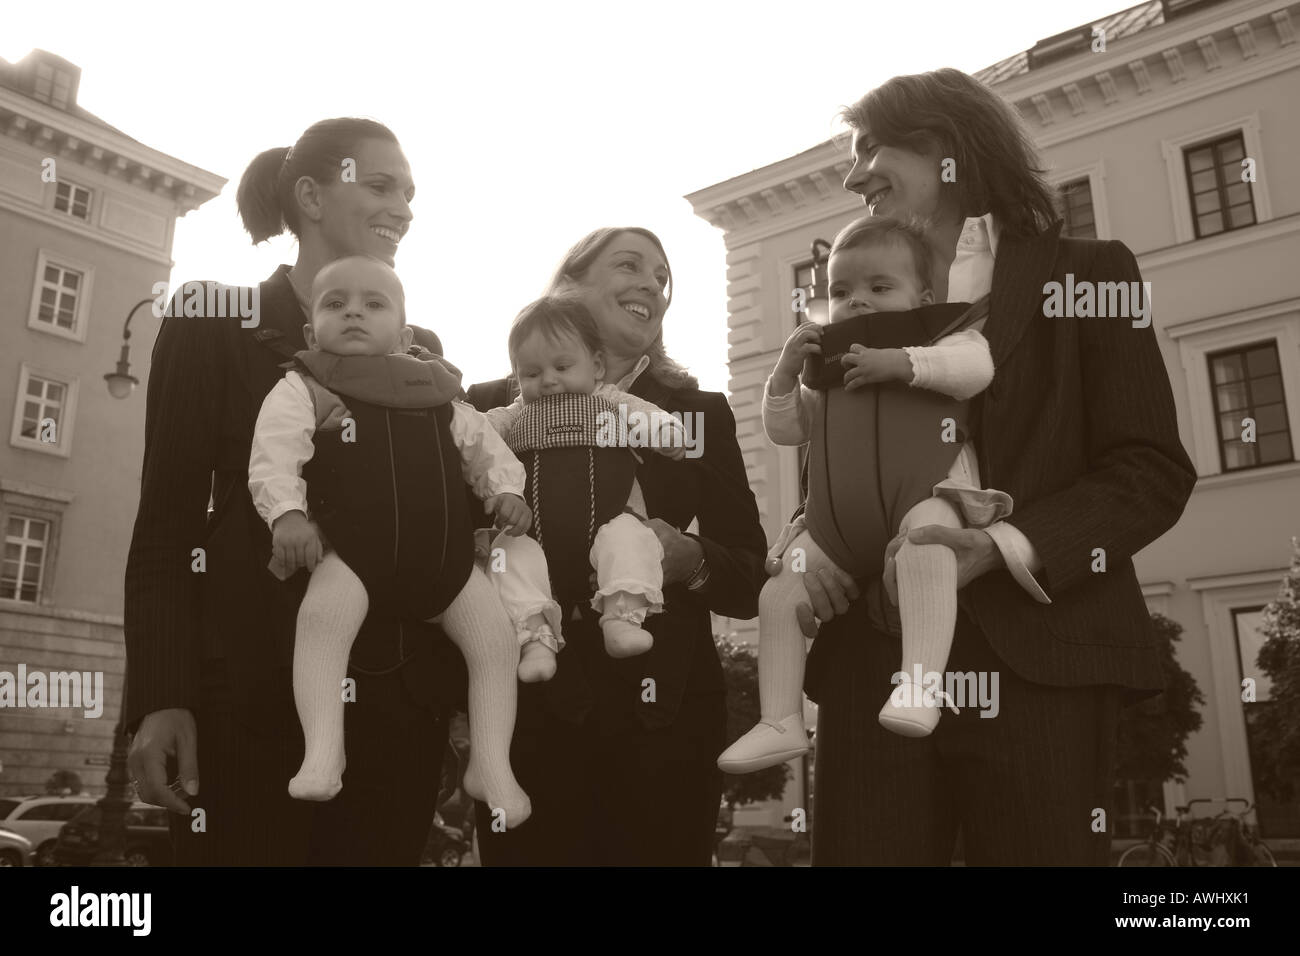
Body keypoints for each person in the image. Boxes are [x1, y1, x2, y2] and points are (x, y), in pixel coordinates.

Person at [785, 69, 1197, 865]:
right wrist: (807, 546)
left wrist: (1001, 547)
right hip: (873, 654)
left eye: (871, 147)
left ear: (944, 145)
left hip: (1041, 658)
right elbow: (834, 470)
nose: (852, 174)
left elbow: (1149, 467)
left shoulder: (1090, 273)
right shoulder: (849, 302)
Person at [124, 118, 469, 865]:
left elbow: (441, 523)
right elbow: (166, 526)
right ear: (310, 195)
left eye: (409, 193)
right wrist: (159, 695)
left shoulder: (420, 352)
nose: (403, 208)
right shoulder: (211, 320)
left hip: (396, 704)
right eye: (381, 186)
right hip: (245, 700)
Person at [466, 227, 768, 866]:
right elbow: (450, 543)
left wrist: (689, 558)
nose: (652, 285)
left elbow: (748, 573)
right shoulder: (492, 405)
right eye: (629, 265)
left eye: (661, 277)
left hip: (662, 719)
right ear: (570, 285)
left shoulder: (696, 413)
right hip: (525, 712)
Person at [719, 215, 1010, 775]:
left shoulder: (946, 336)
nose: (858, 303)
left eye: (880, 288)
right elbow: (787, 430)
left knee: (929, 546)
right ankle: (780, 720)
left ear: (923, 296)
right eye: (842, 291)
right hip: (837, 527)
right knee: (780, 594)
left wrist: (902, 362)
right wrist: (782, 381)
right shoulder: (827, 366)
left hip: (927, 499)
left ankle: (920, 686)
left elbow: (976, 369)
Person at [248, 255, 534, 822]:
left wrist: (506, 492)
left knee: (497, 645)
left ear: (403, 334)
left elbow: (486, 452)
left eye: (373, 304)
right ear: (311, 331)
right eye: (336, 304)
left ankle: (492, 764)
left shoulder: (439, 395)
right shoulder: (303, 387)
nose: (353, 312)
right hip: (354, 556)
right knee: (321, 629)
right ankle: (324, 752)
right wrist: (285, 514)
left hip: (446, 563)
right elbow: (275, 452)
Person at [481, 292, 689, 660]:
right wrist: (456, 431)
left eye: (562, 367)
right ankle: (535, 637)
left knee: (630, 539)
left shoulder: (611, 400)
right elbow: (482, 433)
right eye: (531, 373)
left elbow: (648, 417)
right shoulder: (516, 413)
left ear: (595, 366)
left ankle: (623, 616)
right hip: (533, 531)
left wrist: (668, 434)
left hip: (609, 520)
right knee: (508, 555)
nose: (547, 381)